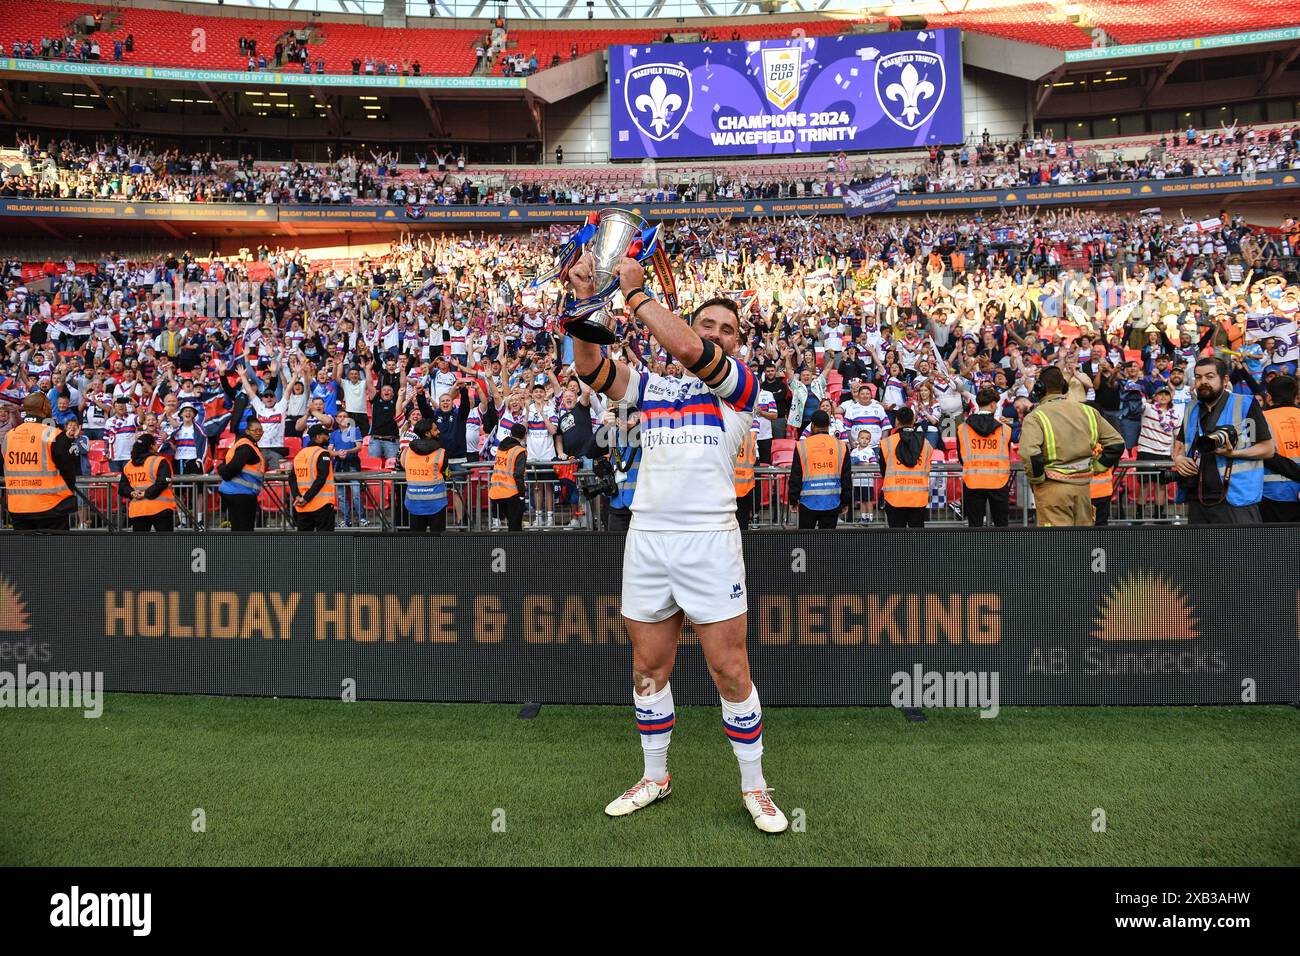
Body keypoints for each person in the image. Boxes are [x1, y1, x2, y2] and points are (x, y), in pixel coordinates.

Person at [567, 249, 787, 834]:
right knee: (648, 666)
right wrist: (584, 300)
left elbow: (690, 351)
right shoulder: (653, 388)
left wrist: (635, 295)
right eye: (707, 322)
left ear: (736, 344)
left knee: (729, 671)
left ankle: (755, 786)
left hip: (709, 542)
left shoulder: (741, 390)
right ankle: (655, 775)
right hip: (648, 540)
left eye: (726, 329)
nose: (715, 334)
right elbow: (590, 366)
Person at [1171, 356, 1274, 525]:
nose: (1203, 381)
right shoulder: (1191, 408)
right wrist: (1179, 458)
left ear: (1225, 380)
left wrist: (1234, 453)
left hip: (1237, 499)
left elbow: (1267, 449)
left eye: (1210, 376)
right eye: (1198, 377)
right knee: (1200, 552)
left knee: (1240, 551)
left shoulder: (1245, 404)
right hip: (1198, 497)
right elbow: (1180, 444)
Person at [1019, 366, 1124, 527]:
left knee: (1057, 545)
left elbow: (1030, 454)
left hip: (1052, 489)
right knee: (1081, 543)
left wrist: (1038, 480)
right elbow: (1116, 443)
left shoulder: (1035, 417)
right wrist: (1097, 466)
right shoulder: (1088, 411)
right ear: (1065, 387)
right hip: (1083, 489)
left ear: (1039, 389)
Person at [2, 393, 78, 531]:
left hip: (18, 508)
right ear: (44, 407)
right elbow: (69, 470)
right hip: (51, 506)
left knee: (24, 552)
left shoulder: (9, 435)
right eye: (49, 403)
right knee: (55, 552)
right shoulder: (52, 434)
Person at [956, 387, 1013, 528]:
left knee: (975, 526)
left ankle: (977, 550)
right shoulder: (1005, 429)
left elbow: (961, 456)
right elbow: (1007, 454)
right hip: (999, 481)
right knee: (1001, 526)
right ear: (993, 405)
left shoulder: (962, 429)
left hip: (973, 482)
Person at [787, 409, 851, 529]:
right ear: (828, 425)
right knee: (827, 543)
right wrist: (845, 501)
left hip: (807, 501)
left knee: (806, 542)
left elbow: (796, 475)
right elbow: (846, 477)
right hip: (832, 501)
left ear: (812, 425)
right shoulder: (841, 446)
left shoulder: (802, 446)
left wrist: (793, 499)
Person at [878, 406, 932, 528]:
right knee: (917, 541)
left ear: (896, 421)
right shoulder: (926, 443)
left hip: (894, 497)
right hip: (918, 497)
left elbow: (883, 470)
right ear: (913, 421)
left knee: (897, 540)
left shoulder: (886, 443)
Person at [1260, 374, 1300, 523]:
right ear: (1296, 397)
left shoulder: (1260, 418)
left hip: (1273, 494)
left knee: (1276, 544)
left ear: (1268, 397)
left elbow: (1263, 454)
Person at [119, 434, 176, 533]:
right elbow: (163, 482)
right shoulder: (159, 461)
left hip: (138, 510)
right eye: (155, 444)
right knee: (167, 546)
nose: (156, 446)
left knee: (140, 547)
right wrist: (146, 493)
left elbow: (122, 487)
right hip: (161, 509)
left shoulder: (128, 465)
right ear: (151, 446)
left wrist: (131, 493)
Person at [216, 418, 265, 532]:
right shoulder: (246, 447)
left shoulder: (242, 444)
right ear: (247, 431)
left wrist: (222, 471)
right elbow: (233, 467)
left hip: (235, 492)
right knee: (244, 529)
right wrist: (225, 474)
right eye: (255, 430)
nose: (259, 432)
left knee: (238, 529)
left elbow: (225, 464)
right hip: (241, 494)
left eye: (261, 430)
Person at [402, 419, 449, 534]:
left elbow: (403, 466)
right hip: (436, 504)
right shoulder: (441, 453)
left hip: (414, 503)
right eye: (435, 429)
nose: (438, 431)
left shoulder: (406, 452)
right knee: (437, 541)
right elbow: (446, 474)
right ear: (427, 433)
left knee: (418, 542)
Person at [290, 424, 336, 532]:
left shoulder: (300, 453)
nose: (328, 437)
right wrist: (306, 498)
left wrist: (297, 496)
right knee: (326, 543)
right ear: (318, 437)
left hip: (303, 506)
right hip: (321, 504)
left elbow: (292, 478)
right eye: (325, 435)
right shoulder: (322, 453)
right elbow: (321, 478)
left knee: (303, 544)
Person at [488, 422, 527, 531]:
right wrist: (522, 494)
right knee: (515, 527)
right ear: (524, 436)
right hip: (512, 493)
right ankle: (515, 548)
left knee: (500, 529)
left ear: (510, 433)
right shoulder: (520, 451)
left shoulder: (501, 447)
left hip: (496, 492)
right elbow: (518, 474)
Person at [733, 426, 758, 531]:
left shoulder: (727, 434)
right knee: (743, 521)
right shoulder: (751, 436)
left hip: (729, 484)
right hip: (745, 485)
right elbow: (755, 458)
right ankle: (743, 544)